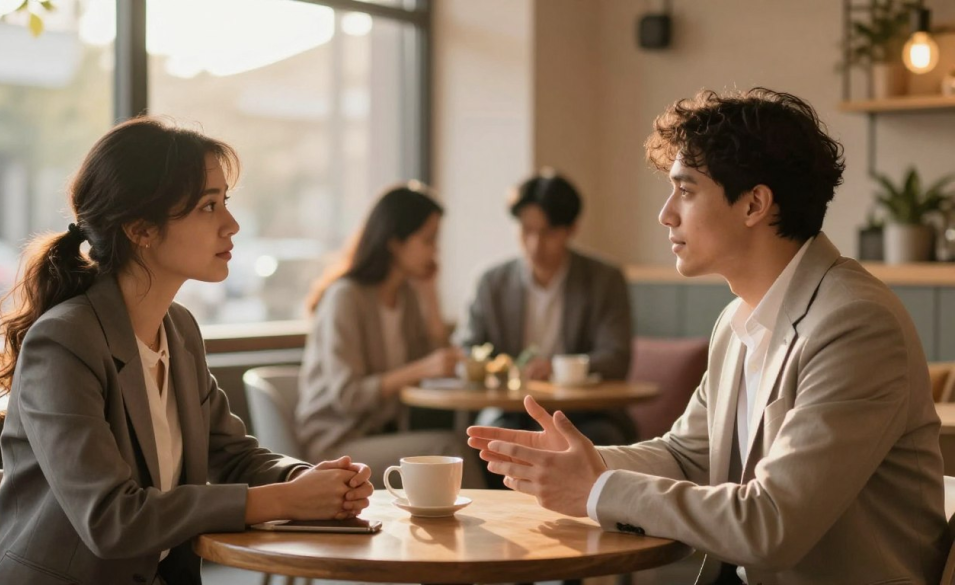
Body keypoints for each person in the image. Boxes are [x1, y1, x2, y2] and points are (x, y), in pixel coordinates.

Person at [468, 88, 948, 584]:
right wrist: (576, 464)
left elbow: (771, 525)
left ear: (754, 204)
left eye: (687, 190)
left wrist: (597, 487)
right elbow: (686, 455)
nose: (666, 213)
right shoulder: (736, 321)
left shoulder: (855, 324)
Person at [0, 117, 373, 585]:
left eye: (225, 202)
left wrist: (307, 480)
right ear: (141, 229)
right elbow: (111, 518)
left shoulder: (179, 330)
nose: (232, 224)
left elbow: (232, 454)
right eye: (209, 207)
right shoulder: (64, 341)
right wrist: (284, 502)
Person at [297, 183, 484, 489]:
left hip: (383, 434)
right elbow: (349, 396)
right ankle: (483, 533)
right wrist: (424, 367)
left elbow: (436, 366)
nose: (435, 251)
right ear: (395, 242)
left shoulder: (407, 297)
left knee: (464, 440)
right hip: (336, 444)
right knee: (451, 449)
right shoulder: (346, 297)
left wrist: (430, 297)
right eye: (428, 240)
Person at [460, 170, 634, 447]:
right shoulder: (492, 283)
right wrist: (500, 371)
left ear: (571, 229)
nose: (535, 245)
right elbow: (468, 350)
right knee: (487, 439)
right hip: (511, 410)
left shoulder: (603, 280)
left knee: (602, 439)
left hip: (585, 414)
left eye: (548, 232)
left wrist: (555, 368)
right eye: (526, 230)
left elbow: (615, 358)